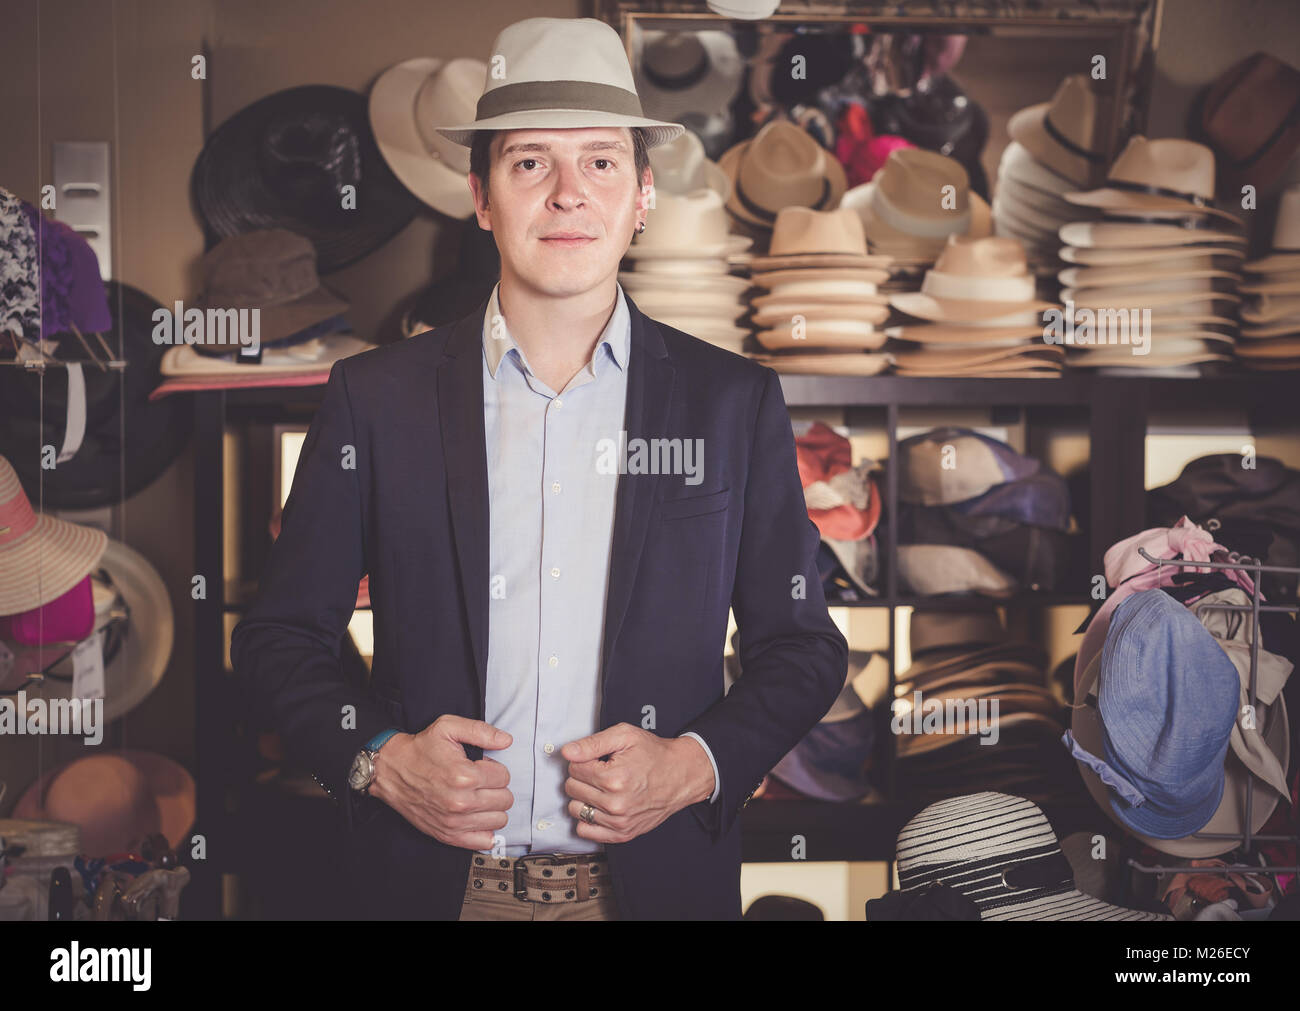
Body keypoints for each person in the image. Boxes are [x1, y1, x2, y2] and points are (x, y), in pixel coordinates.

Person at [230, 16, 847, 921]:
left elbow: (802, 647)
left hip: (656, 894)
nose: (568, 194)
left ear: (642, 194)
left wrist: (694, 764)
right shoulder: (375, 397)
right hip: (429, 893)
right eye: (530, 163)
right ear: (481, 195)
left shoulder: (732, 402)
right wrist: (379, 754)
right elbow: (279, 635)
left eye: (600, 162)